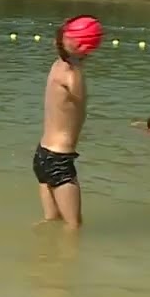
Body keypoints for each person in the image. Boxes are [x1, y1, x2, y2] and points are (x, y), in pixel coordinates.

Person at [33, 15, 102, 229]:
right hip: (60, 160)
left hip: (43, 155)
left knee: (51, 222)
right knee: (73, 227)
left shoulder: (57, 66)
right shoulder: (73, 76)